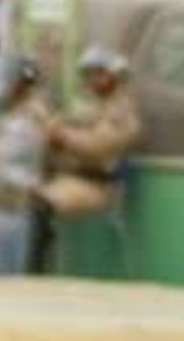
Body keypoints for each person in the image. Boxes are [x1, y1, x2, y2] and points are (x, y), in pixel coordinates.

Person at [43, 47, 142, 237]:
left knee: (40, 207)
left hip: (97, 185)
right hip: (70, 177)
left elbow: (98, 146)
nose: (92, 79)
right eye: (88, 74)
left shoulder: (122, 112)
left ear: (113, 75)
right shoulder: (89, 106)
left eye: (98, 73)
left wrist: (63, 137)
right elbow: (60, 123)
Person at [0, 57, 54, 277]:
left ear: (22, 84)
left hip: (21, 201)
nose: (3, 87)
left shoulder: (34, 114)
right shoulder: (7, 110)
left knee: (13, 274)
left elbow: (11, 151)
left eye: (7, 81)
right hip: (0, 198)